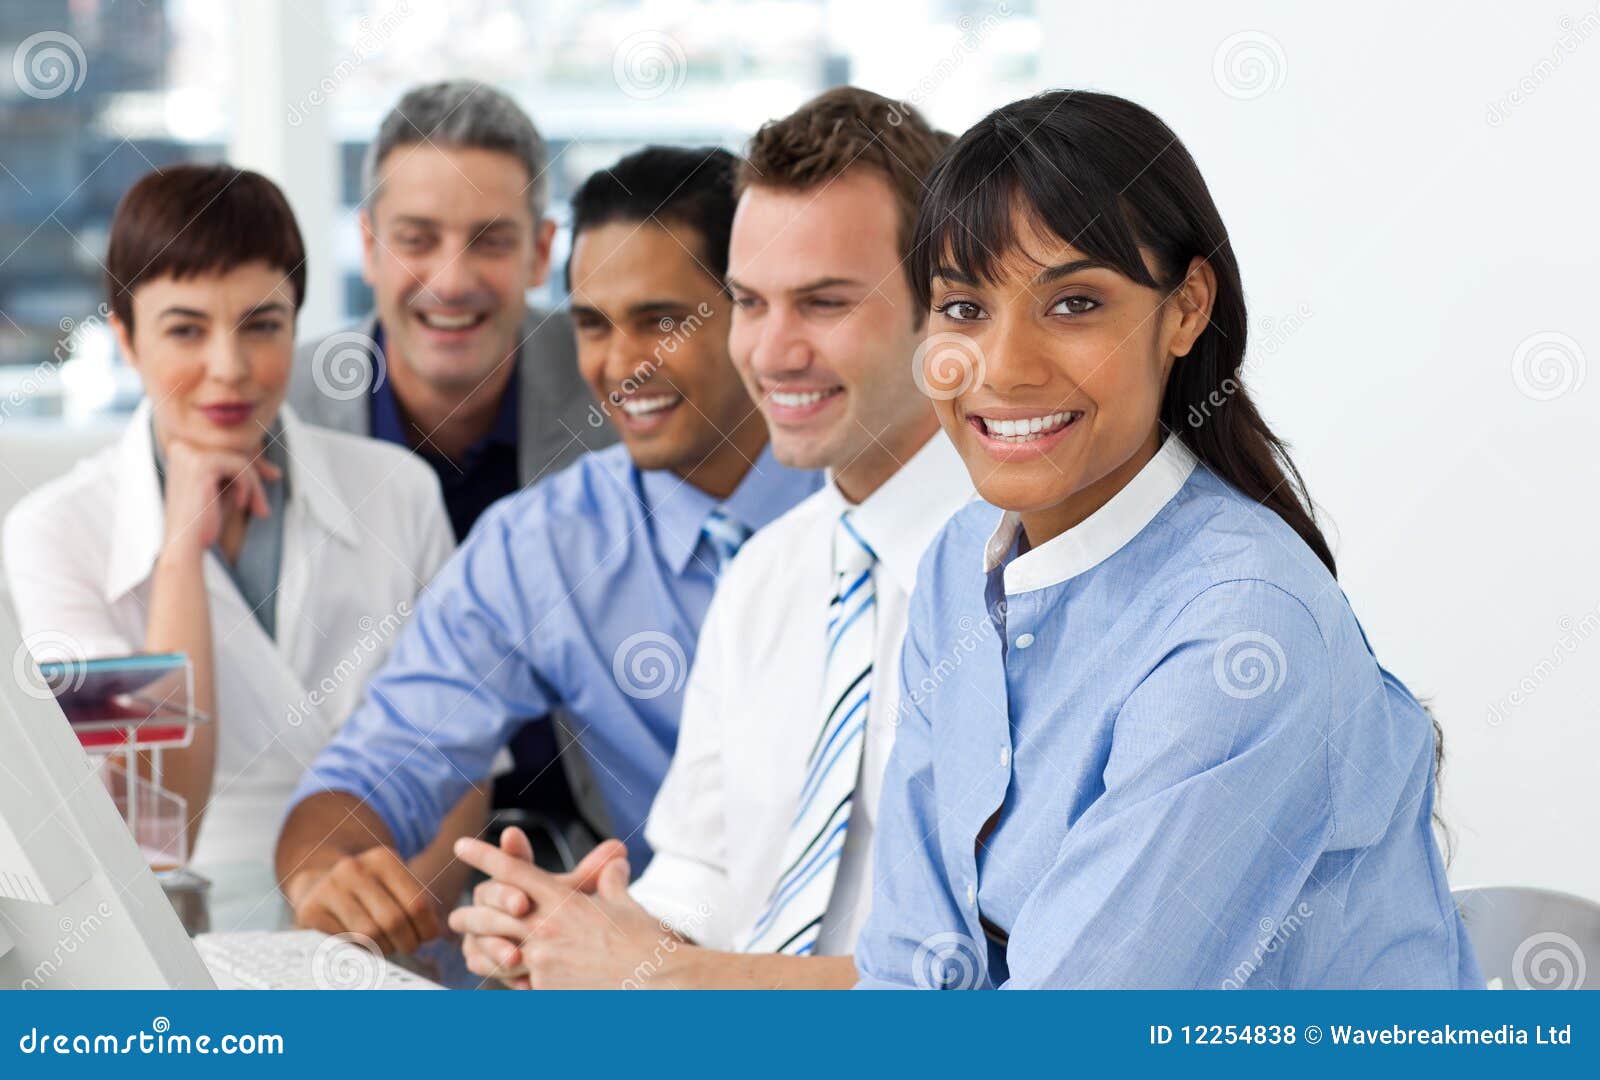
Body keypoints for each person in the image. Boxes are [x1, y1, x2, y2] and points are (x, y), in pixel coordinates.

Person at [851, 91, 1482, 989]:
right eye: (963, 308)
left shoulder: (1241, 633)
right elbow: (907, 968)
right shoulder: (961, 561)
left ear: (1185, 310)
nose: (1005, 367)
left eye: (1073, 304)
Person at [449, 88, 973, 989]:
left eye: (824, 302)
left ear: (943, 303)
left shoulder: (1031, 570)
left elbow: (993, 980)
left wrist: (663, 976)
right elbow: (706, 875)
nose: (772, 351)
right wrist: (584, 926)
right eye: (750, 303)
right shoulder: (770, 573)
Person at [276, 146, 820, 955]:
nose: (620, 366)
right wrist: (324, 867)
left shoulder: (871, 505)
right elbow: (383, 761)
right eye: (593, 324)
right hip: (662, 987)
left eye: (662, 322)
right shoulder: (545, 545)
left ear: (749, 312)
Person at [2, 166, 480, 908]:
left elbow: (464, 759)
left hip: (386, 922)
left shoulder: (399, 492)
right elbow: (156, 826)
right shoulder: (53, 531)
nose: (229, 369)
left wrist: (397, 928)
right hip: (181, 931)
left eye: (262, 325)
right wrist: (179, 553)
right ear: (125, 338)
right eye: (185, 330)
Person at [287, 80, 618, 854]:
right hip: (364, 852)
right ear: (367, 245)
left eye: (491, 240)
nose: (451, 279)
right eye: (417, 238)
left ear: (542, 251)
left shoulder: (620, 390)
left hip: (598, 851)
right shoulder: (283, 410)